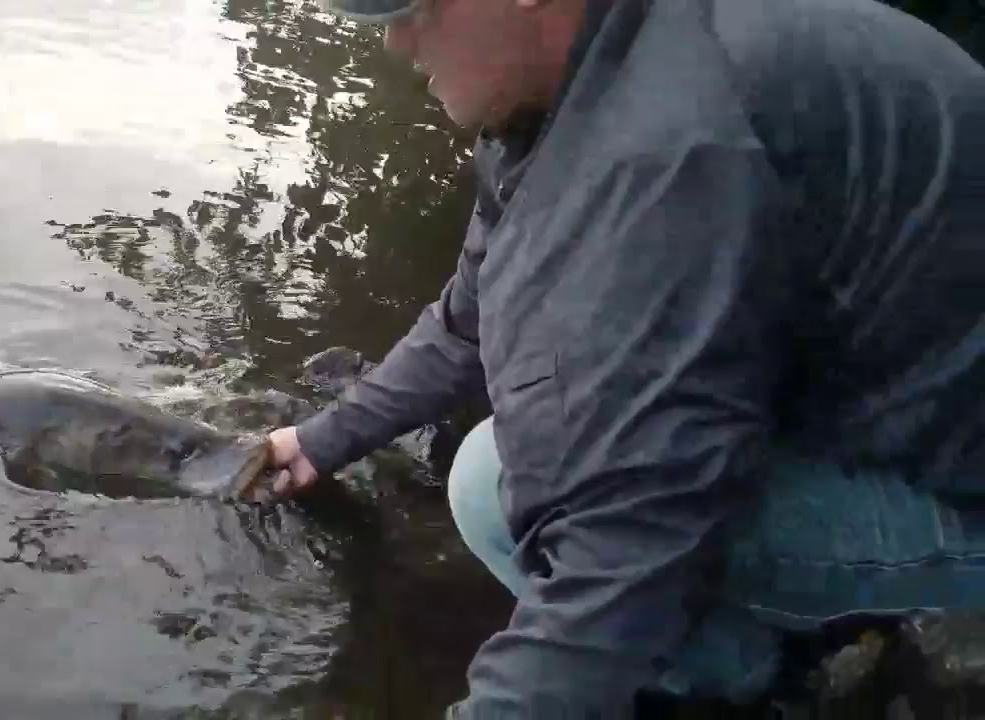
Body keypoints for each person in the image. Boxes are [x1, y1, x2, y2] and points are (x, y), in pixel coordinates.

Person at [266, 0, 985, 716]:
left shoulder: (679, 147)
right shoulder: (575, 82)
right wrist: (319, 440)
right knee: (507, 467)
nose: (396, 42)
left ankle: (734, 684)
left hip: (960, 490)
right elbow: (468, 320)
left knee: (507, 496)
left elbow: (629, 535)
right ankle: (777, 642)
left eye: (415, 7)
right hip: (882, 391)